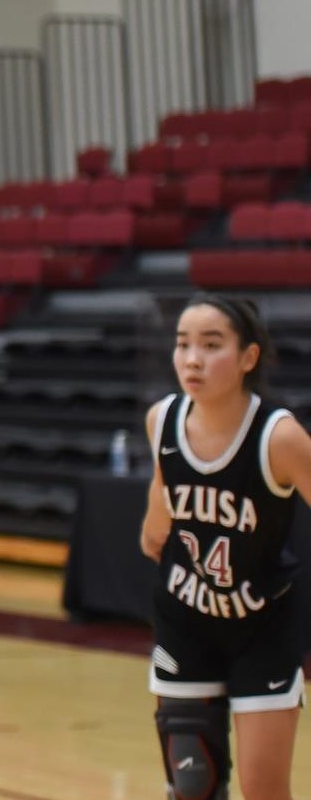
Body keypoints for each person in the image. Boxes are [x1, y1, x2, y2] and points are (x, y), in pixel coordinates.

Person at [140, 294, 309, 800]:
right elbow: (160, 507)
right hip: (186, 625)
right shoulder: (161, 420)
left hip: (262, 630)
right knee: (193, 788)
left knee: (264, 792)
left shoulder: (278, 437)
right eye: (183, 344)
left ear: (247, 358)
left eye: (211, 345)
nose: (192, 358)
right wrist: (155, 527)